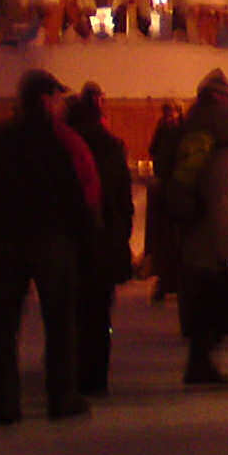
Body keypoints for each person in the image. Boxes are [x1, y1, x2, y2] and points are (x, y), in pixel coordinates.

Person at [0, 69, 99, 423]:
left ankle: (6, 404)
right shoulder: (58, 141)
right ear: (45, 100)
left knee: (4, 326)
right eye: (57, 98)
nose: (61, 105)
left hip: (6, 242)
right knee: (59, 322)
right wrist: (84, 238)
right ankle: (61, 396)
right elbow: (76, 193)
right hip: (50, 241)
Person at [174, 69, 228, 385]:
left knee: (204, 305)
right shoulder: (227, 152)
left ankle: (200, 363)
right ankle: (200, 365)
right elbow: (224, 203)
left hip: (198, 240)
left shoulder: (196, 129)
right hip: (216, 245)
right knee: (215, 305)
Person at [66, 83, 134, 396]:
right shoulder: (111, 147)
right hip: (104, 239)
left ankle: (75, 372)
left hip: (72, 242)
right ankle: (97, 376)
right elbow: (122, 200)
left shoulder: (64, 147)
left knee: (73, 312)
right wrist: (120, 237)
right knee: (99, 311)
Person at [145, 100, 185, 301]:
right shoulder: (171, 130)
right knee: (167, 239)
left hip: (171, 187)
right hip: (168, 187)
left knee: (169, 239)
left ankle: (168, 280)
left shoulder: (175, 131)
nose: (170, 116)